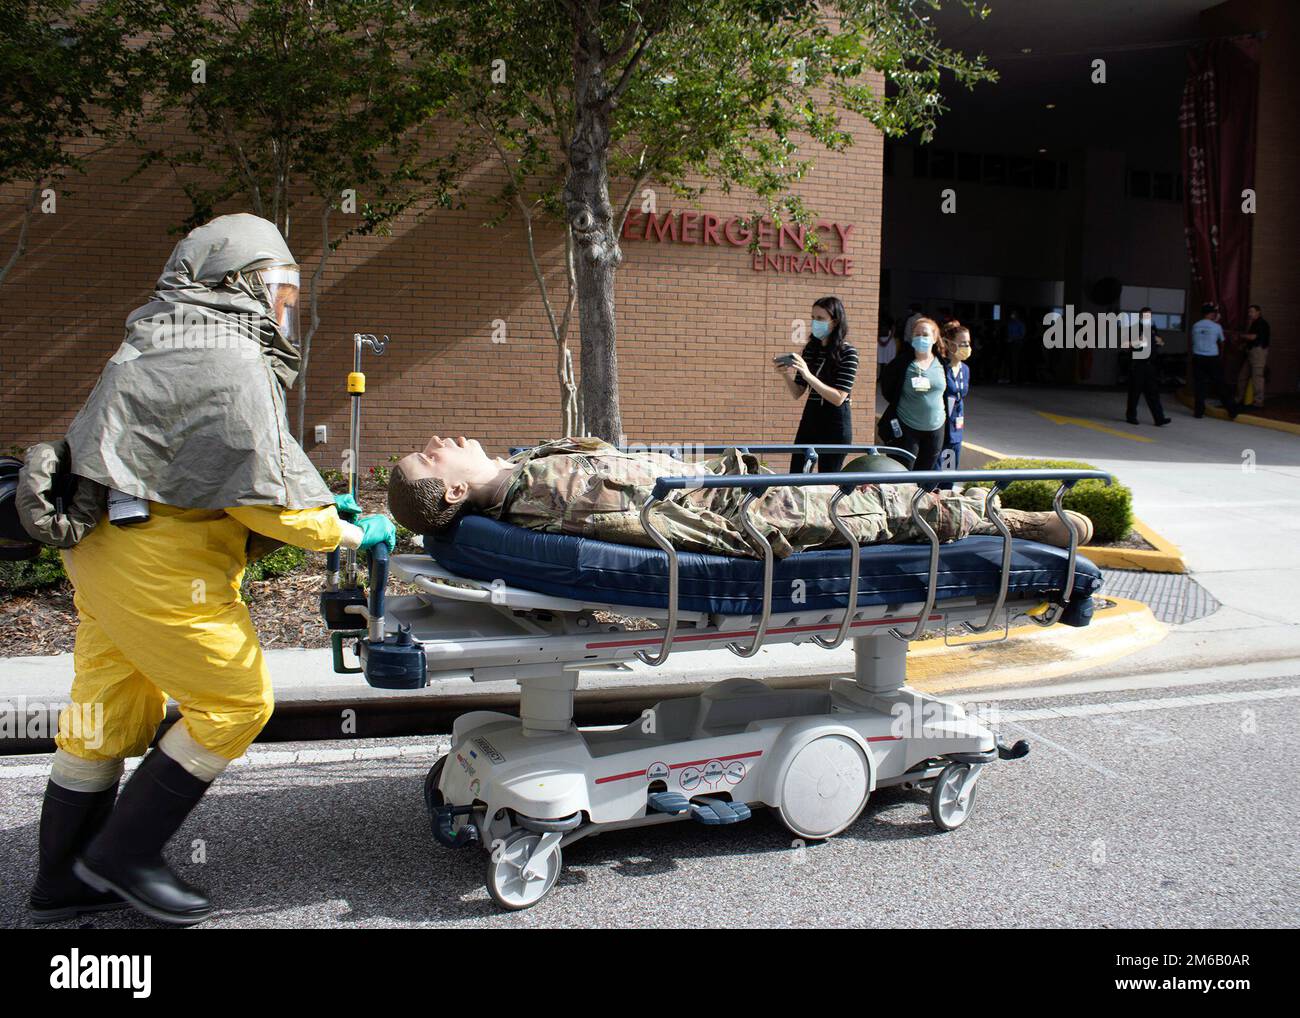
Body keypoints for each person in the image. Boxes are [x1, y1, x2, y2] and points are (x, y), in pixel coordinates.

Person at [24, 214, 396, 927]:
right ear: (239, 282)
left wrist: (312, 498)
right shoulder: (227, 355)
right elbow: (262, 498)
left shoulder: (162, 337)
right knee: (236, 703)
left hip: (103, 554)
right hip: (161, 565)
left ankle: (61, 885)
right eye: (277, 289)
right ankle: (121, 856)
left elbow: (206, 460)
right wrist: (345, 525)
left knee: (104, 712)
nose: (284, 307)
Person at [386, 435, 1094, 559]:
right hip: (742, 517)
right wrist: (746, 489)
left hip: (730, 499)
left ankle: (990, 514)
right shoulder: (541, 491)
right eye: (435, 450)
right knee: (882, 505)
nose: (445, 437)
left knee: (874, 483)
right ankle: (1015, 519)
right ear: (451, 486)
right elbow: (659, 497)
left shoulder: (525, 478)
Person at [775, 296, 859, 473]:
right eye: (813, 318)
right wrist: (785, 375)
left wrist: (807, 374)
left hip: (835, 422)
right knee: (798, 474)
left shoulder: (848, 353)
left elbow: (838, 398)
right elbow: (798, 391)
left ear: (834, 322)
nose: (814, 322)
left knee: (827, 480)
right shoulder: (811, 349)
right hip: (811, 416)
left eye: (820, 319)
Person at [879, 316, 946, 471]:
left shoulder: (942, 364)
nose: (921, 338)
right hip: (907, 427)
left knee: (926, 474)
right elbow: (888, 389)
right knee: (903, 472)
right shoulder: (901, 363)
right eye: (917, 334)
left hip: (935, 428)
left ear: (935, 338)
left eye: (925, 335)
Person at [1190, 302, 1239, 419]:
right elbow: (1222, 342)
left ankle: (1198, 412)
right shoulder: (1216, 327)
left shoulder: (1195, 326)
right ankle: (1231, 411)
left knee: (1200, 385)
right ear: (1211, 314)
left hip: (1198, 357)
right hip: (1212, 358)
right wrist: (1220, 356)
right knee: (1220, 384)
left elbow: (1192, 341)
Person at [1125, 307, 1170, 426]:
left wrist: (1159, 341)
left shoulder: (1152, 328)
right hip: (1138, 364)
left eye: (1150, 316)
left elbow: (1160, 342)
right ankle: (1131, 416)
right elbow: (1126, 346)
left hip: (1150, 365)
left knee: (1153, 393)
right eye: (1146, 316)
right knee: (1135, 392)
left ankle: (1159, 418)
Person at [939, 320, 972, 476]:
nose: (966, 347)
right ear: (950, 344)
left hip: (956, 431)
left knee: (949, 473)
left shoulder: (965, 370)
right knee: (935, 477)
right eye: (963, 343)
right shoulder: (941, 367)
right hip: (941, 430)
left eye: (968, 343)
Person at [1235, 304, 1271, 408]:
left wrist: (1240, 336)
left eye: (1252, 311)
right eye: (1249, 312)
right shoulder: (1254, 323)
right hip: (1251, 352)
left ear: (1258, 312)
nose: (1249, 314)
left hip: (1258, 352)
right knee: (1242, 376)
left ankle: (1258, 402)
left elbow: (1254, 337)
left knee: (1257, 377)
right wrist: (1244, 345)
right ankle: (1239, 399)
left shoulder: (1261, 323)